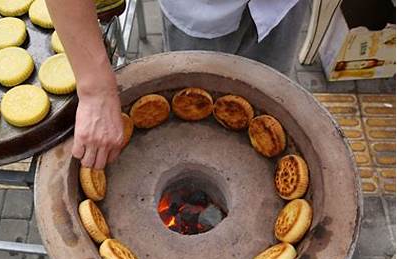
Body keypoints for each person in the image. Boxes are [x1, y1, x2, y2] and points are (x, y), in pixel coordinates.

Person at [45, 0, 309, 169]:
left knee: (269, 101)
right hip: (199, 10)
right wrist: (96, 92)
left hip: (283, 7)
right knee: (192, 104)